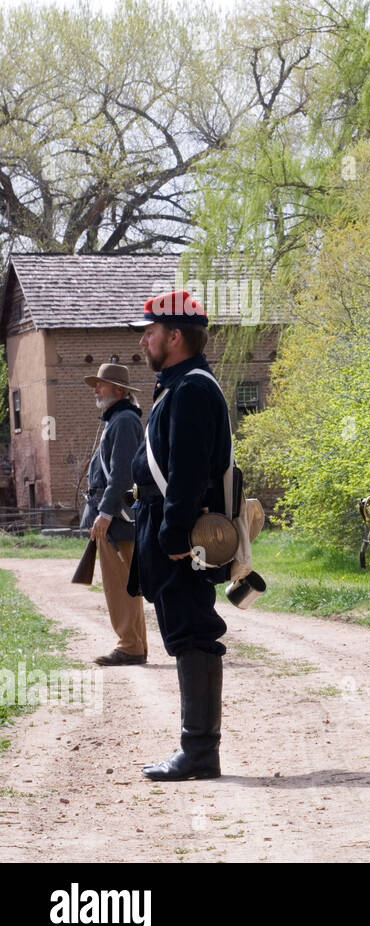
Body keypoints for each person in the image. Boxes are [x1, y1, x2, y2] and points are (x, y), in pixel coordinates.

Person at [127, 290, 233, 781]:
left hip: (183, 534)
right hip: (172, 529)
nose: (144, 339)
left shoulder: (190, 389)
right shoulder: (178, 385)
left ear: (175, 336)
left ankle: (198, 752)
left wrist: (172, 535)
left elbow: (189, 471)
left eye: (150, 331)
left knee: (192, 630)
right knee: (183, 629)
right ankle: (196, 749)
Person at [81, 363, 147, 666]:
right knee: (124, 585)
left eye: (101, 385)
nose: (96, 389)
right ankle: (134, 644)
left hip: (117, 520)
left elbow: (121, 474)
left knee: (120, 586)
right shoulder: (118, 420)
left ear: (118, 391)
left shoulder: (122, 421)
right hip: (116, 518)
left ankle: (130, 646)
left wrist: (105, 513)